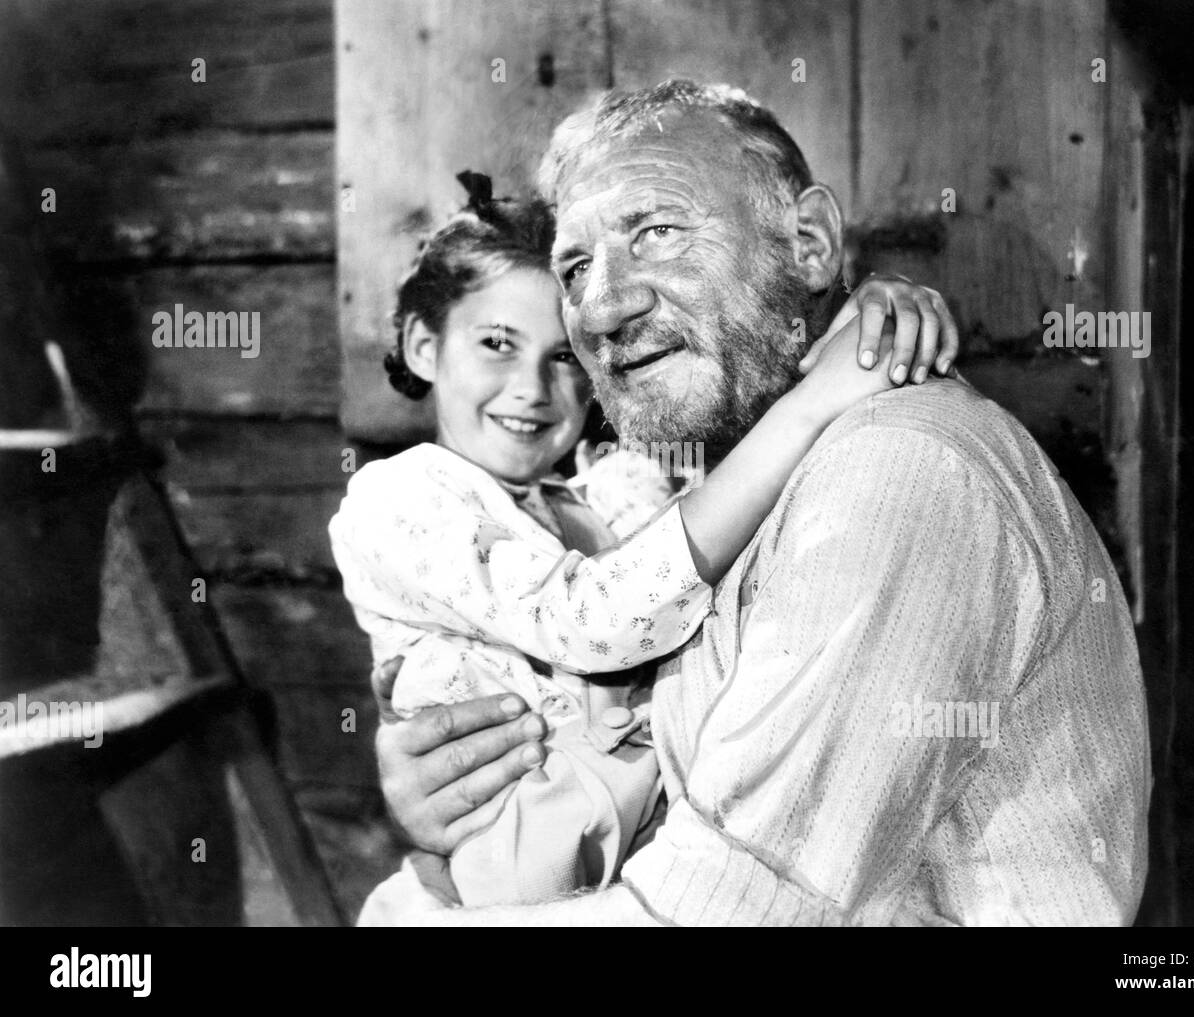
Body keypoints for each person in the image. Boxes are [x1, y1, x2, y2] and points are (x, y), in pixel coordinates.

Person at [374, 80, 1152, 926]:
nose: (601, 306)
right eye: (575, 265)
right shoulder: (729, 486)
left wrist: (409, 916)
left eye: (659, 231)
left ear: (809, 241)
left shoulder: (898, 469)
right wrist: (474, 789)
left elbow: (725, 913)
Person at [330, 170, 960, 915]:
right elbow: (596, 617)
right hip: (499, 891)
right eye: (496, 343)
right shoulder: (398, 499)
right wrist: (810, 408)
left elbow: (732, 552)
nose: (532, 386)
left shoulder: (604, 493)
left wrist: (869, 317)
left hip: (642, 860)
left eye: (563, 356)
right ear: (424, 346)